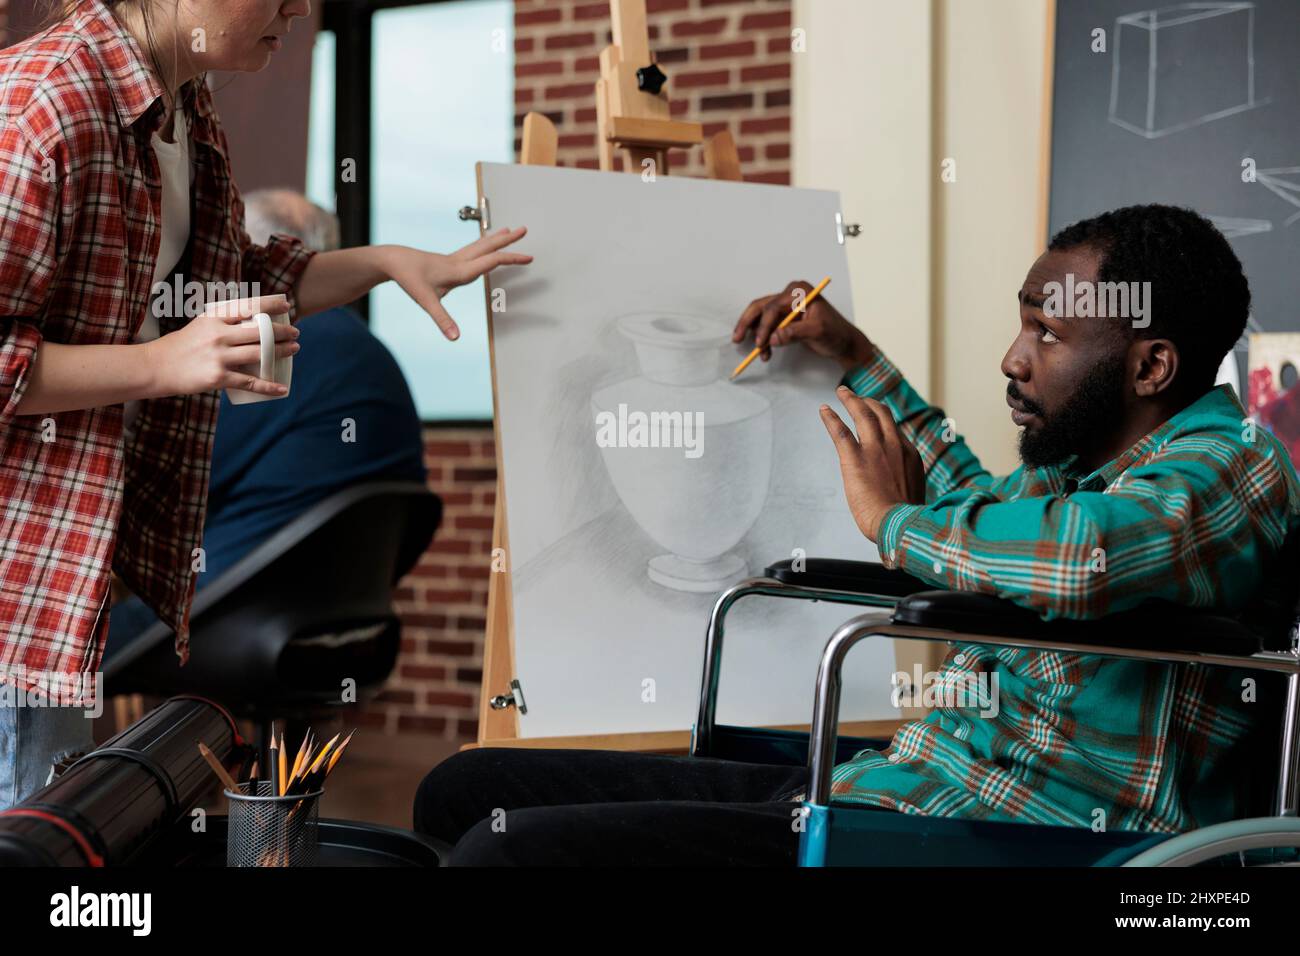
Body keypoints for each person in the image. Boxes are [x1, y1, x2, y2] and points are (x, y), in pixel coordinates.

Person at [413, 204, 1300, 865]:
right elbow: (980, 514)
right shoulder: (1080, 466)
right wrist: (855, 356)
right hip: (905, 784)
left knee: (504, 858)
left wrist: (891, 523)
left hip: (1023, 837)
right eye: (1023, 320)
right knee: (465, 790)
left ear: (1152, 365)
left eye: (1049, 333)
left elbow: (1080, 557)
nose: (1013, 356)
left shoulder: (1235, 468)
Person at [0, 0, 529, 809]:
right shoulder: (47, 101)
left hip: (69, 561)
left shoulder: (184, 101)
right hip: (18, 563)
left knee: (56, 828)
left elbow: (235, 275)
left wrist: (387, 262)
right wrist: (161, 362)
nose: (297, 9)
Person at [102, 190, 426, 651]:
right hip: (356, 625)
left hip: (236, 610)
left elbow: (175, 483)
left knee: (58, 645)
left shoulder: (273, 345)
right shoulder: (370, 353)